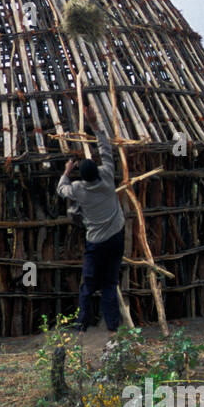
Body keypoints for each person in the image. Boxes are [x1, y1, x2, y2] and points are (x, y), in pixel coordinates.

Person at [57, 134, 126, 333]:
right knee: (110, 283)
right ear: (97, 171)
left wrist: (67, 171)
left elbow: (62, 189)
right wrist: (97, 129)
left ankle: (82, 325)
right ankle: (112, 326)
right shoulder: (107, 176)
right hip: (116, 238)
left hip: (96, 244)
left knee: (88, 284)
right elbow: (106, 152)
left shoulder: (79, 189)